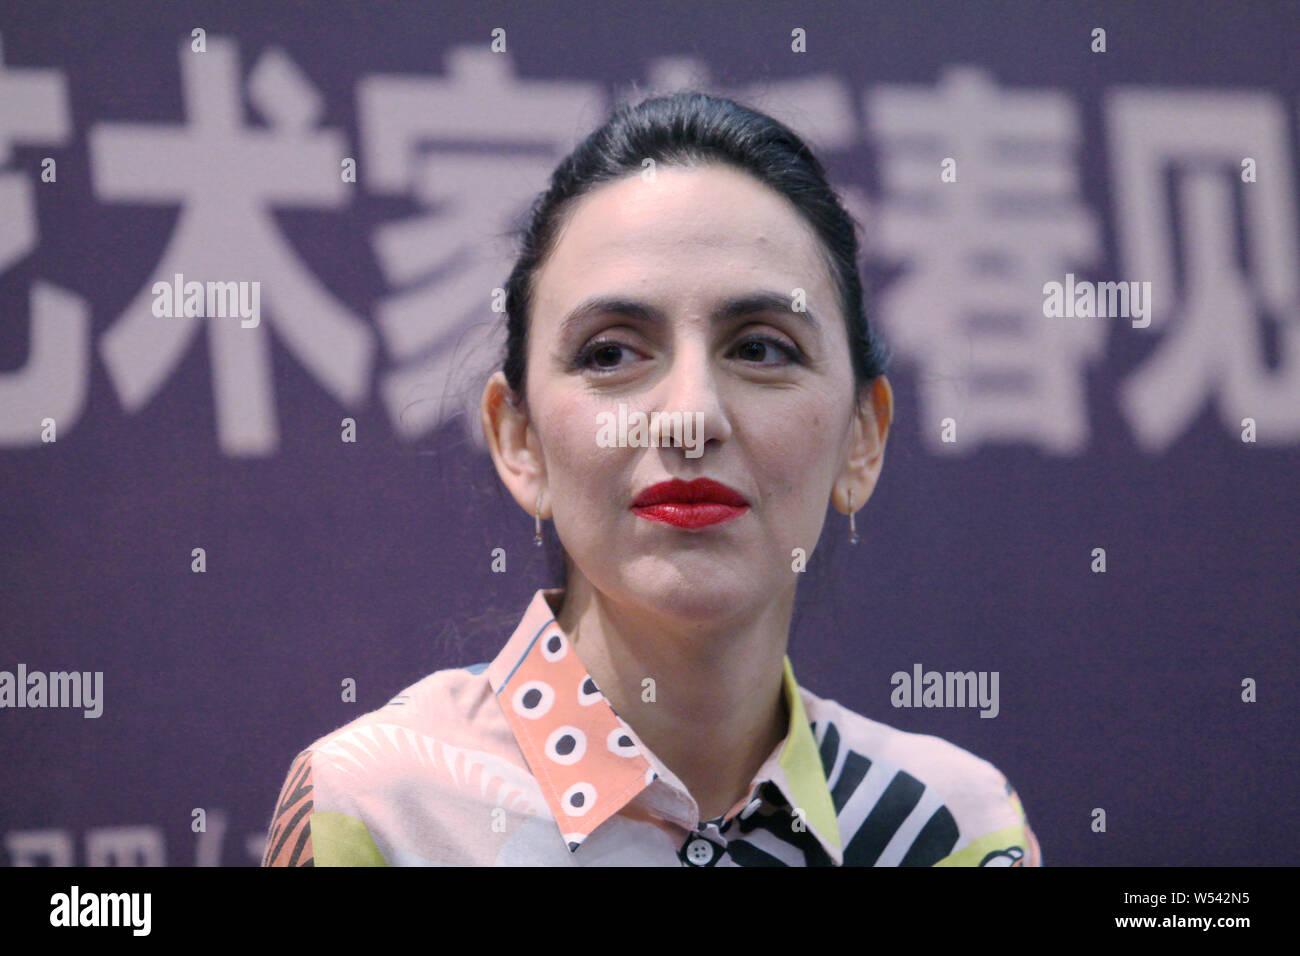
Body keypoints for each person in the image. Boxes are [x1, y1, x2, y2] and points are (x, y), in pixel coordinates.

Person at [262, 91, 1041, 867]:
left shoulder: (953, 830)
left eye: (762, 349)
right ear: (519, 439)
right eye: (611, 353)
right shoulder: (384, 812)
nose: (690, 417)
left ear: (862, 440)